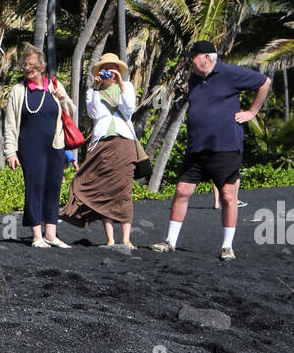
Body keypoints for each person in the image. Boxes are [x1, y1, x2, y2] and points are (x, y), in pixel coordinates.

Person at [151, 41, 271, 261]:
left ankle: (227, 246)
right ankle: (170, 241)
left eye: (192, 56)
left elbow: (264, 81)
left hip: (225, 146)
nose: (189, 61)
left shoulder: (229, 72)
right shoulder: (195, 77)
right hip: (197, 147)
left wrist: (252, 112)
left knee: (227, 195)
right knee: (182, 191)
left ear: (206, 57)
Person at [3, 44, 77, 248]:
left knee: (53, 187)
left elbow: (70, 112)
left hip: (55, 145)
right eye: (26, 67)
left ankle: (51, 234)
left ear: (42, 68)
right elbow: (10, 124)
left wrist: (62, 99)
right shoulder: (19, 92)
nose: (28, 71)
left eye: (32, 67)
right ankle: (37, 235)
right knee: (34, 187)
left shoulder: (54, 86)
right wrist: (10, 152)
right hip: (30, 147)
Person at [62, 53, 138, 248]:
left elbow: (130, 109)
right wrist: (96, 88)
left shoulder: (127, 87)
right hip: (101, 143)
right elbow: (94, 113)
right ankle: (111, 239)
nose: (108, 73)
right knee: (106, 189)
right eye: (105, 69)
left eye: (112, 69)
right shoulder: (93, 91)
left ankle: (126, 238)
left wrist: (120, 84)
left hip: (124, 143)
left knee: (123, 190)